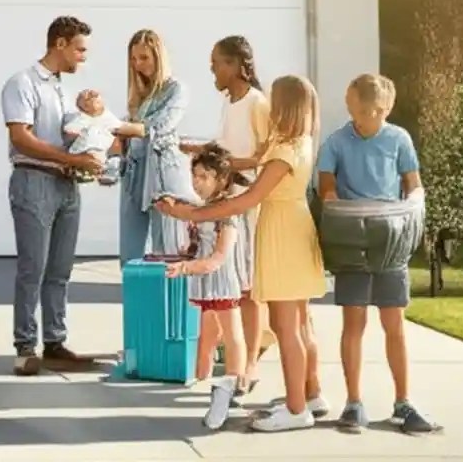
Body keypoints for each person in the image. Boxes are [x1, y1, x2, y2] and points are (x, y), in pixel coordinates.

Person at [159, 74, 329, 432]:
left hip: (283, 235)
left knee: (286, 327)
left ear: (283, 107)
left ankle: (297, 410)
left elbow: (250, 198)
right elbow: (250, 165)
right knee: (300, 322)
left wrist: (189, 213)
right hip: (296, 228)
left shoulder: (283, 151)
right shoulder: (299, 143)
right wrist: (204, 154)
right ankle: (311, 394)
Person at [316, 73, 439, 433]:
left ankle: (403, 402)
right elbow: (327, 188)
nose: (357, 113)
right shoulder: (336, 142)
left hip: (391, 242)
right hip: (353, 241)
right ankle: (354, 403)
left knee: (394, 324)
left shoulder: (398, 138)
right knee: (354, 323)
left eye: (366, 109)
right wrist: (342, 211)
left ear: (381, 109)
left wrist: (414, 201)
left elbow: (412, 183)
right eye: (353, 106)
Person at [1, 15, 104, 376]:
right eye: (80, 49)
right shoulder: (23, 82)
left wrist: (93, 120)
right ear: (59, 44)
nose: (83, 57)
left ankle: (55, 344)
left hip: (66, 185)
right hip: (34, 183)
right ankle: (25, 348)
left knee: (60, 271)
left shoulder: (62, 88)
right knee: (33, 269)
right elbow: (21, 137)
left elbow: (69, 134)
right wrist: (70, 157)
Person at [181, 35, 275, 389]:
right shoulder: (230, 103)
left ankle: (249, 365)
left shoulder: (256, 103)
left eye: (217, 63)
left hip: (247, 207)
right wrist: (201, 151)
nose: (212, 70)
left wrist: (222, 165)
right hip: (227, 206)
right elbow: (227, 150)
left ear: (236, 65)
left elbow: (265, 158)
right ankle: (233, 359)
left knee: (248, 289)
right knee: (230, 288)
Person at [166, 142, 250, 430]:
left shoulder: (227, 213)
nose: (197, 182)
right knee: (208, 334)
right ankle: (202, 377)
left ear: (221, 179)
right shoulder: (205, 208)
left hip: (222, 283)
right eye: (195, 175)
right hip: (205, 283)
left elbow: (217, 258)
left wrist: (186, 267)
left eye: (204, 176)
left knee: (232, 334)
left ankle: (236, 382)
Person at [114, 29, 198, 265]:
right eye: (133, 59)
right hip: (134, 173)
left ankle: (171, 300)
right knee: (131, 252)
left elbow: (160, 126)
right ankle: (138, 299)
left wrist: (117, 125)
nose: (138, 64)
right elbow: (130, 136)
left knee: (168, 248)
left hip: (163, 173)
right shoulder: (139, 95)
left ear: (158, 57)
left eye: (144, 58)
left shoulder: (177, 89)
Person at [63, 89, 125, 184]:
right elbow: (70, 129)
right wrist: (77, 132)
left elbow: (118, 128)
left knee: (109, 157)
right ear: (85, 107)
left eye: (98, 99)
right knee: (86, 158)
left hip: (103, 146)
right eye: (90, 100)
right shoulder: (82, 118)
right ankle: (82, 173)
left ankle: (108, 173)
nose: (96, 100)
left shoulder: (107, 117)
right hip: (86, 147)